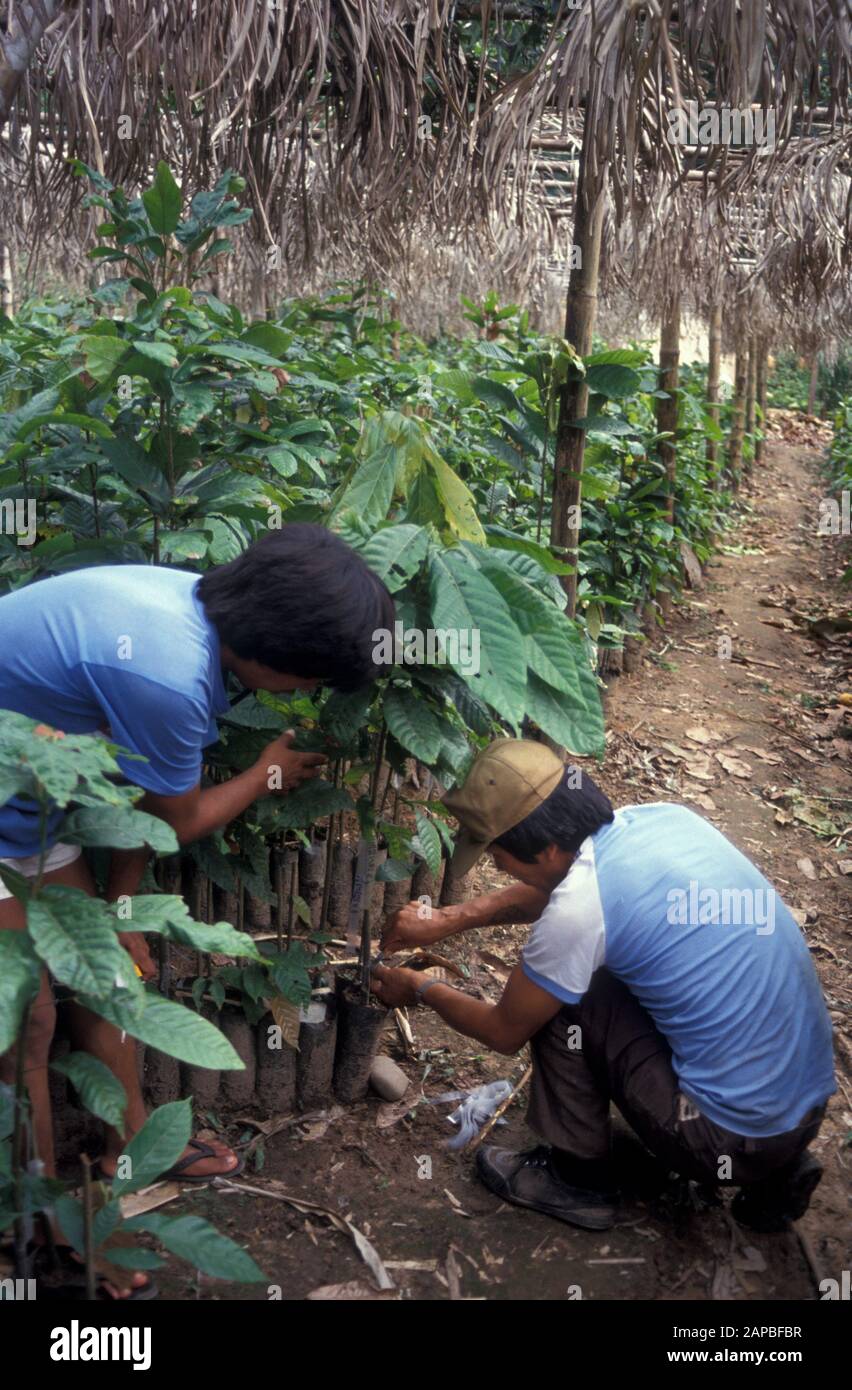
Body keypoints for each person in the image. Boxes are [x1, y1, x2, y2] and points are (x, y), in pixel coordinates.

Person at [0, 524, 393, 1295]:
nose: (305, 696)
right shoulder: (170, 676)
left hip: (29, 802)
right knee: (27, 1026)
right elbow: (175, 820)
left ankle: (133, 1148)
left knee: (109, 976)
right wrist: (268, 774)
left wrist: (119, 908)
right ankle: (43, 1229)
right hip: (13, 805)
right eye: (310, 681)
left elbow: (142, 810)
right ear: (280, 658)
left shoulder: (185, 609)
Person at [372, 738, 836, 1233]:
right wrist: (447, 920)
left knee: (564, 997)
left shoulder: (580, 909)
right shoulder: (661, 821)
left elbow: (504, 1032)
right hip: (803, 1107)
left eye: (499, 856)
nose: (497, 867)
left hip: (727, 1136)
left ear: (547, 848)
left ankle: (576, 1180)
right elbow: (561, 889)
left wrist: (417, 987)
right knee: (607, 964)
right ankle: (777, 1172)